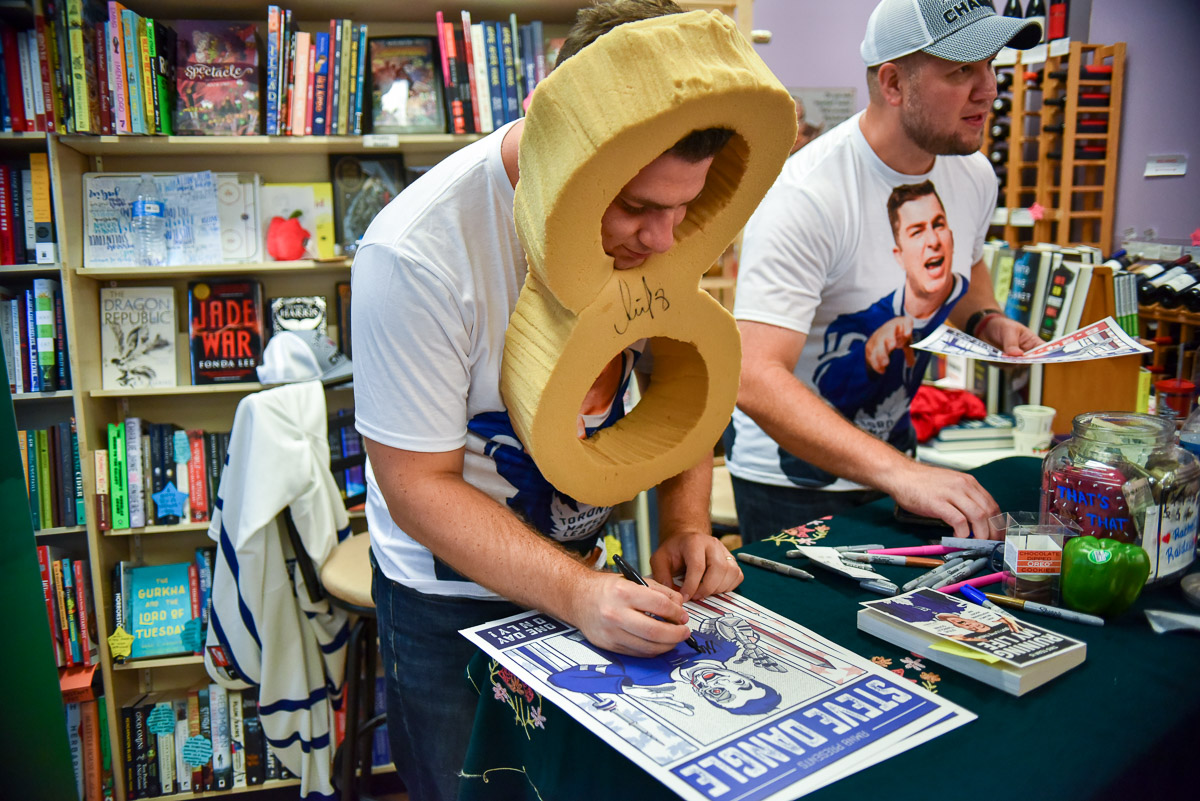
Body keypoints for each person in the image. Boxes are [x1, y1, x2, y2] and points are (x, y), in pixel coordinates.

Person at [351, 3, 750, 798]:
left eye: (683, 208)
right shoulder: (417, 254)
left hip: (589, 575)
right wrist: (576, 591)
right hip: (449, 608)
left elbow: (683, 384)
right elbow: (416, 486)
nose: (664, 241)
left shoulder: (659, 233)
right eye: (636, 207)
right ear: (552, 125)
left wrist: (686, 522)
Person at [727, 0, 1044, 544]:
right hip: (793, 483)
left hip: (897, 456)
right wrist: (902, 473)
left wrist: (989, 321)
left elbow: (967, 278)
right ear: (893, 82)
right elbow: (753, 377)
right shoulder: (806, 196)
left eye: (990, 64)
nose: (989, 89)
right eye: (962, 69)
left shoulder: (973, 175)